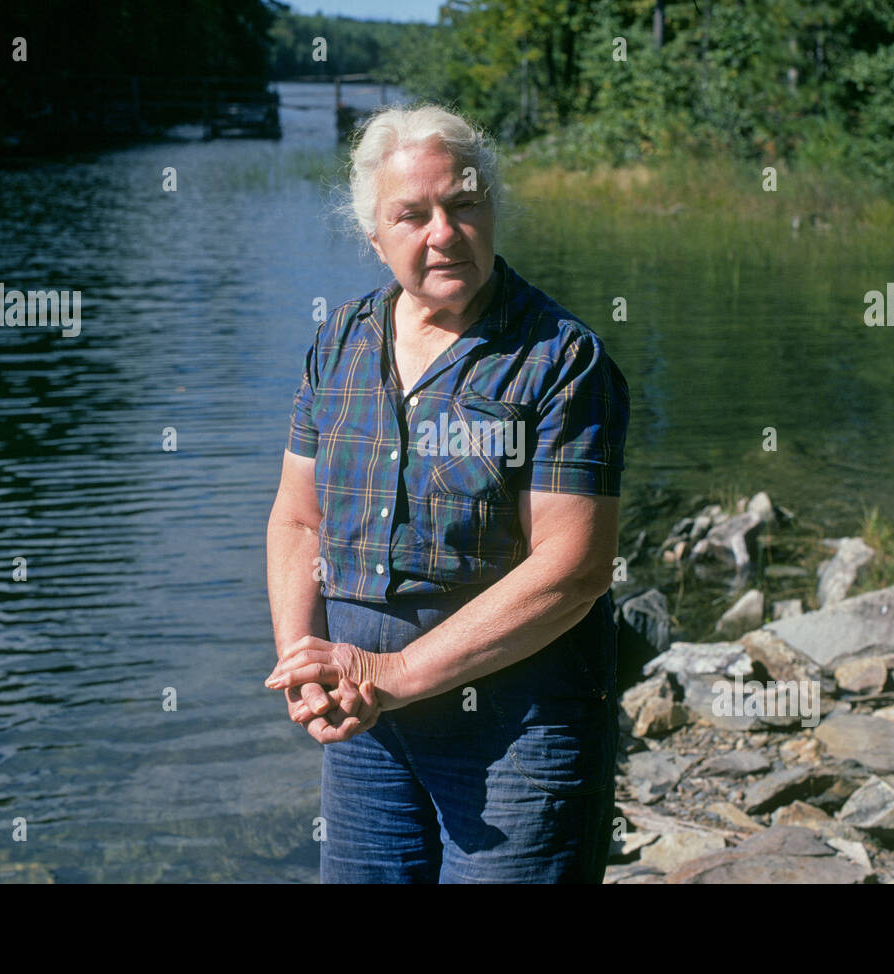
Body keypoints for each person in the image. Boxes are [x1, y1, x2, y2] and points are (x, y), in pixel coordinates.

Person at [264, 103, 630, 883]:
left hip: (520, 726)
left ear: (491, 207)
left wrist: (391, 675)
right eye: (413, 214)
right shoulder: (340, 341)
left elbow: (575, 569)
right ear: (375, 236)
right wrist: (304, 664)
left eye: (464, 204)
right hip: (365, 730)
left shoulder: (561, 361)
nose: (443, 232)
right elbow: (299, 522)